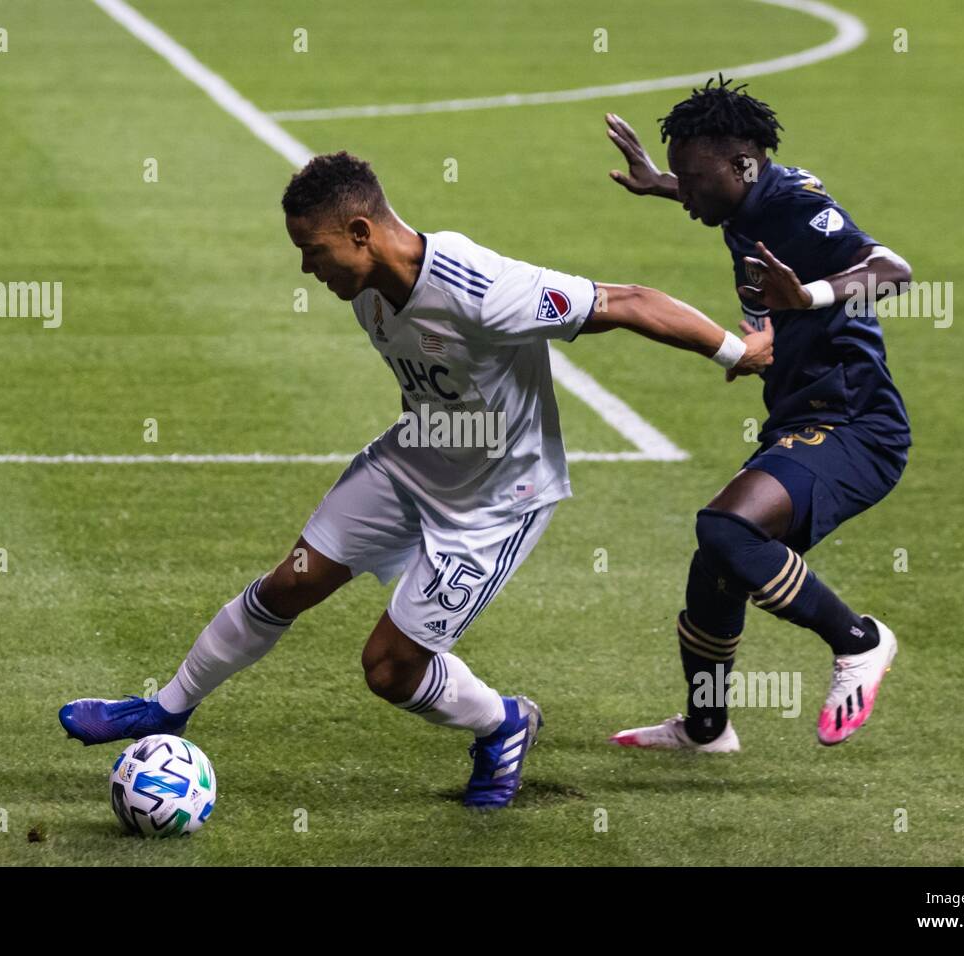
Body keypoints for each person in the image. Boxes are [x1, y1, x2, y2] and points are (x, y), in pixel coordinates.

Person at [60, 151, 771, 808]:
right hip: (412, 461)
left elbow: (631, 301)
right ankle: (169, 707)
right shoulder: (368, 291)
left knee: (389, 669)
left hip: (497, 502)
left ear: (361, 232)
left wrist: (739, 352)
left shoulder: (484, 290)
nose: (309, 269)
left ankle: (503, 723)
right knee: (292, 582)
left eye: (313, 251)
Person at [604, 77, 913, 750]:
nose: (686, 193)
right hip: (803, 413)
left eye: (692, 179)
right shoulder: (741, 197)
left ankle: (859, 641)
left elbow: (892, 268)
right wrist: (660, 182)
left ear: (743, 164)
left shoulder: (796, 206)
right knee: (715, 572)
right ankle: (707, 730)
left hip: (855, 424)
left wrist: (808, 298)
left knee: (726, 530)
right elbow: (714, 196)